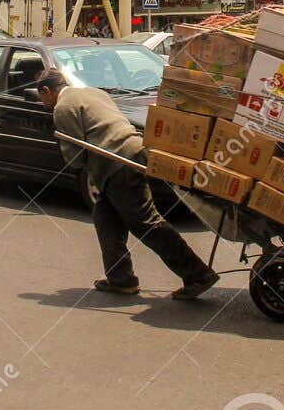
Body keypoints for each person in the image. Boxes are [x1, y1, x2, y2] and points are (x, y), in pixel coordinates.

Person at [36, 69, 218, 300]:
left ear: (47, 90)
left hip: (117, 164)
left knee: (146, 222)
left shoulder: (63, 108)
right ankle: (121, 279)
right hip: (132, 151)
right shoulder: (93, 93)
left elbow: (75, 159)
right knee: (105, 219)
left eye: (41, 96)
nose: (42, 101)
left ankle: (198, 273)